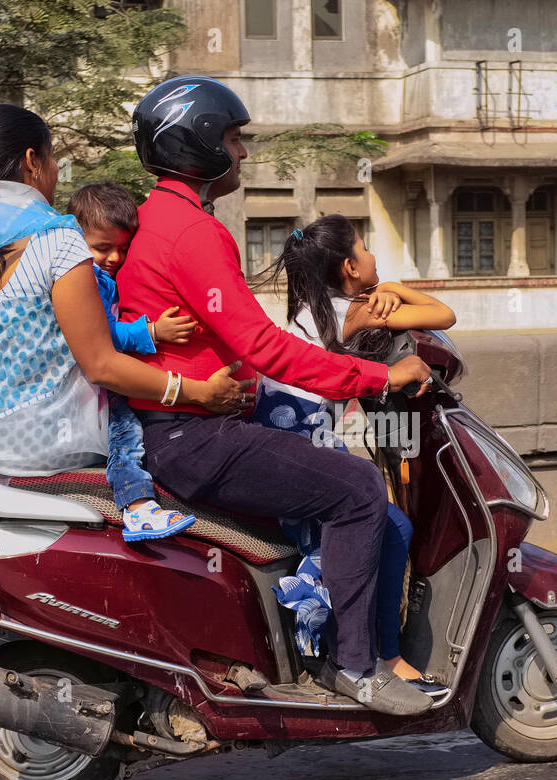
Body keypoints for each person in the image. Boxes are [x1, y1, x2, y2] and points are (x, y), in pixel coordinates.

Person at [116, 76, 435, 716]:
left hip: (181, 425)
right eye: (234, 140)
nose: (242, 154)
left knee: (357, 495)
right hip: (197, 435)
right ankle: (354, 669)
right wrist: (379, 377)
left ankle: (312, 645)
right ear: (200, 145)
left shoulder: (158, 217)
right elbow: (262, 345)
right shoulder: (194, 232)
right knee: (359, 489)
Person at [0, 103, 252, 480]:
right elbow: (102, 366)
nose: (56, 172)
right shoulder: (58, 238)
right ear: (32, 161)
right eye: (53, 160)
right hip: (32, 440)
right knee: (142, 433)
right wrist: (198, 393)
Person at [253, 214, 456, 694]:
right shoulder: (355, 312)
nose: (373, 257)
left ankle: (379, 650)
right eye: (365, 249)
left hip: (284, 439)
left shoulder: (314, 307)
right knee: (396, 527)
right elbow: (444, 315)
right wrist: (398, 289)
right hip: (301, 449)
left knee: (390, 524)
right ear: (348, 266)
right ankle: (385, 657)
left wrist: (385, 286)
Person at [66, 181, 198, 541]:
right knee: (126, 439)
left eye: (122, 249)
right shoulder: (84, 278)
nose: (113, 258)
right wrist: (152, 332)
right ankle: (137, 507)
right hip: (99, 383)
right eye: (102, 247)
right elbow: (102, 335)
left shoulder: (101, 275)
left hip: (102, 382)